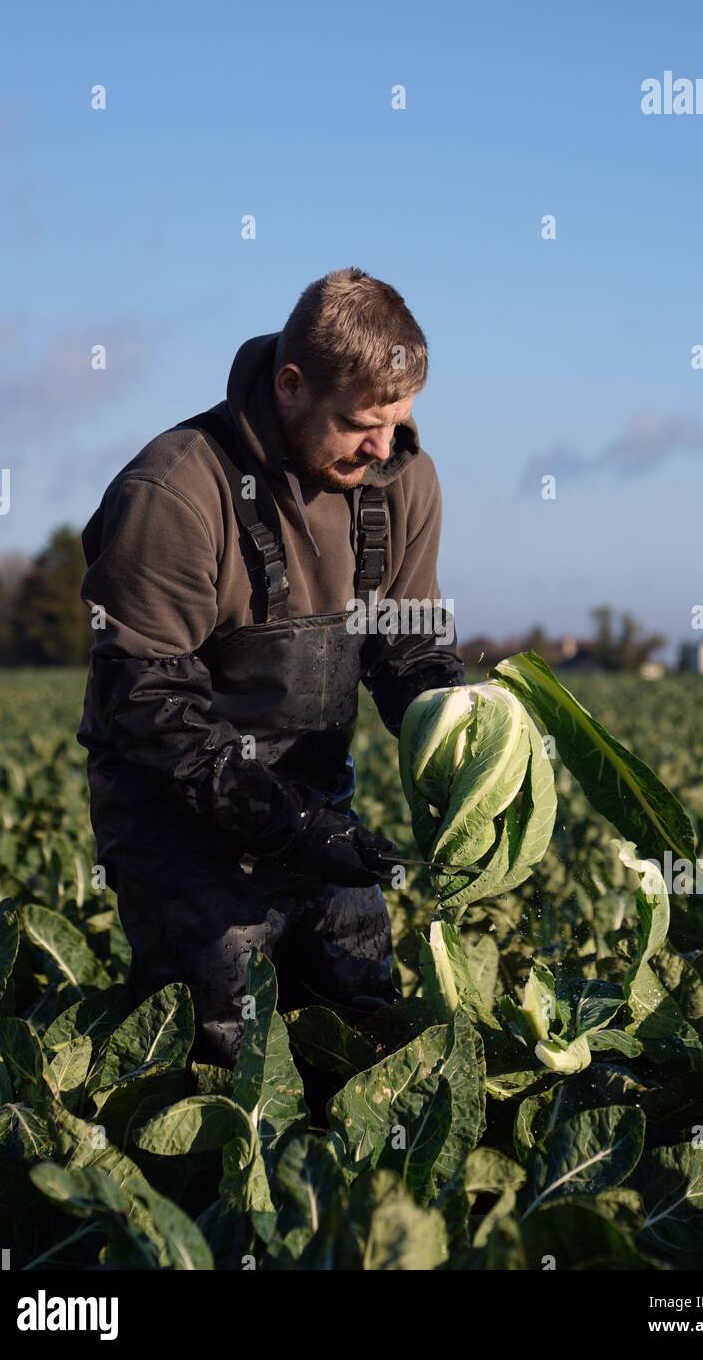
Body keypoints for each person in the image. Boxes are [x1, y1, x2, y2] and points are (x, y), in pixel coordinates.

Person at [77, 267, 464, 1068]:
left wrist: (458, 732)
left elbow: (406, 642)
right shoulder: (176, 489)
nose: (383, 447)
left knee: (360, 1036)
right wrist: (282, 825)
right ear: (291, 387)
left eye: (399, 422)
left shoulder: (399, 476)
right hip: (178, 827)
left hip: (318, 803)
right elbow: (147, 703)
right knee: (222, 1055)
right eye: (361, 423)